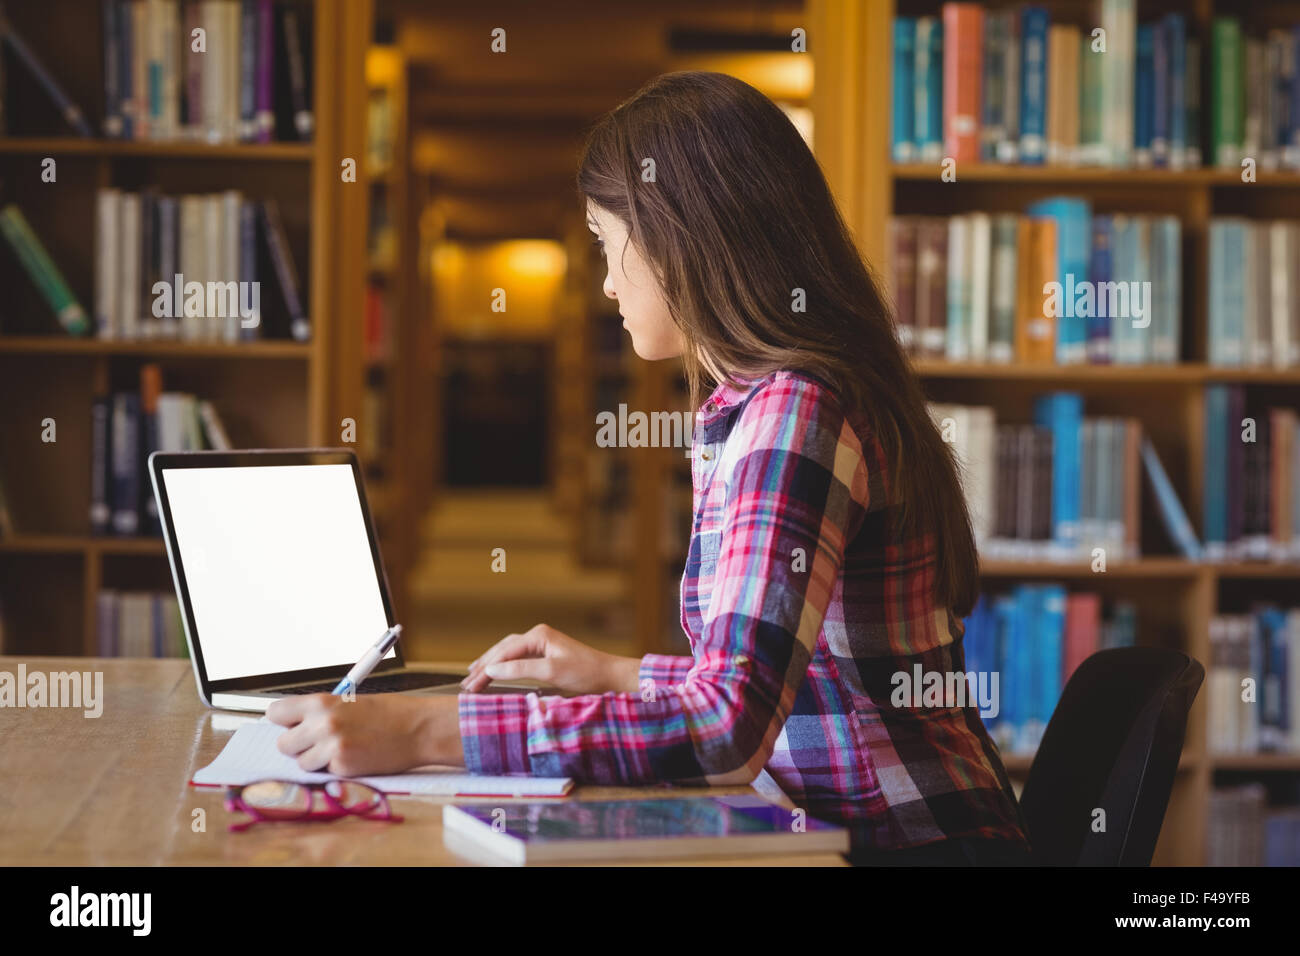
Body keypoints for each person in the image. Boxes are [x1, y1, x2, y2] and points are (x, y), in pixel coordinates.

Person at [269, 71, 1031, 866]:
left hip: (903, 847)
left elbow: (729, 731)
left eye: (606, 240)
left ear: (681, 233)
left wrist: (423, 731)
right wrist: (620, 673)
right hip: (848, 827)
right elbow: (793, 686)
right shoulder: (780, 399)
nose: (603, 282)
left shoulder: (797, 411)